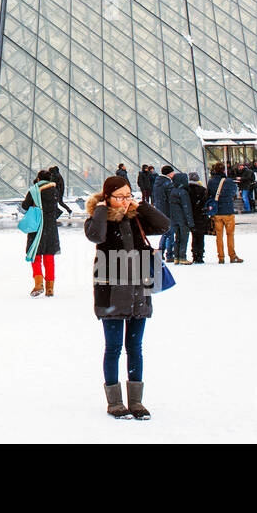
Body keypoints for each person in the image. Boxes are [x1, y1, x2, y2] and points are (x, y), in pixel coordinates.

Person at [85, 175, 170, 420]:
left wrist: (140, 205)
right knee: (113, 347)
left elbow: (164, 225)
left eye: (128, 195)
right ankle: (115, 402)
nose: (124, 201)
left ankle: (136, 401)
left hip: (138, 289)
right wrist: (101, 211)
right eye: (119, 197)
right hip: (111, 290)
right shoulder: (96, 219)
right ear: (107, 197)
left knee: (135, 347)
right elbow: (96, 236)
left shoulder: (136, 217)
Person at [23, 170, 60, 297]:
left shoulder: (34, 191)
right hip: (50, 227)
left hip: (37, 225)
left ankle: (38, 284)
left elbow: (25, 205)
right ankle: (50, 288)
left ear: (38, 179)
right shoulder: (54, 190)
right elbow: (56, 208)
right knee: (49, 257)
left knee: (36, 255)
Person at [206, 163, 242, 263]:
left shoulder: (211, 181)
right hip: (228, 211)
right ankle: (232, 256)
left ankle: (221, 257)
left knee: (219, 236)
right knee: (230, 235)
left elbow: (209, 194)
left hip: (217, 212)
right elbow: (233, 193)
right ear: (224, 171)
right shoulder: (229, 181)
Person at [168, 172, 193, 264]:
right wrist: (190, 221)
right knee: (184, 238)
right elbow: (186, 207)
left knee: (177, 238)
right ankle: (182, 257)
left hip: (175, 219)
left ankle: (176, 257)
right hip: (183, 219)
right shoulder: (183, 192)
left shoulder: (173, 191)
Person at [150, 165, 175, 260]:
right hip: (167, 210)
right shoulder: (167, 183)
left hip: (160, 209)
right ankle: (169, 254)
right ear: (169, 173)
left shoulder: (158, 182)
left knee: (166, 232)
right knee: (170, 233)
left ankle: (161, 251)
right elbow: (170, 197)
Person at [186, 172, 210, 263]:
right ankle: (199, 255)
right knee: (200, 236)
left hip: (190, 216)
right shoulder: (203, 190)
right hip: (200, 216)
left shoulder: (186, 190)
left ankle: (194, 253)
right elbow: (206, 202)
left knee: (193, 235)